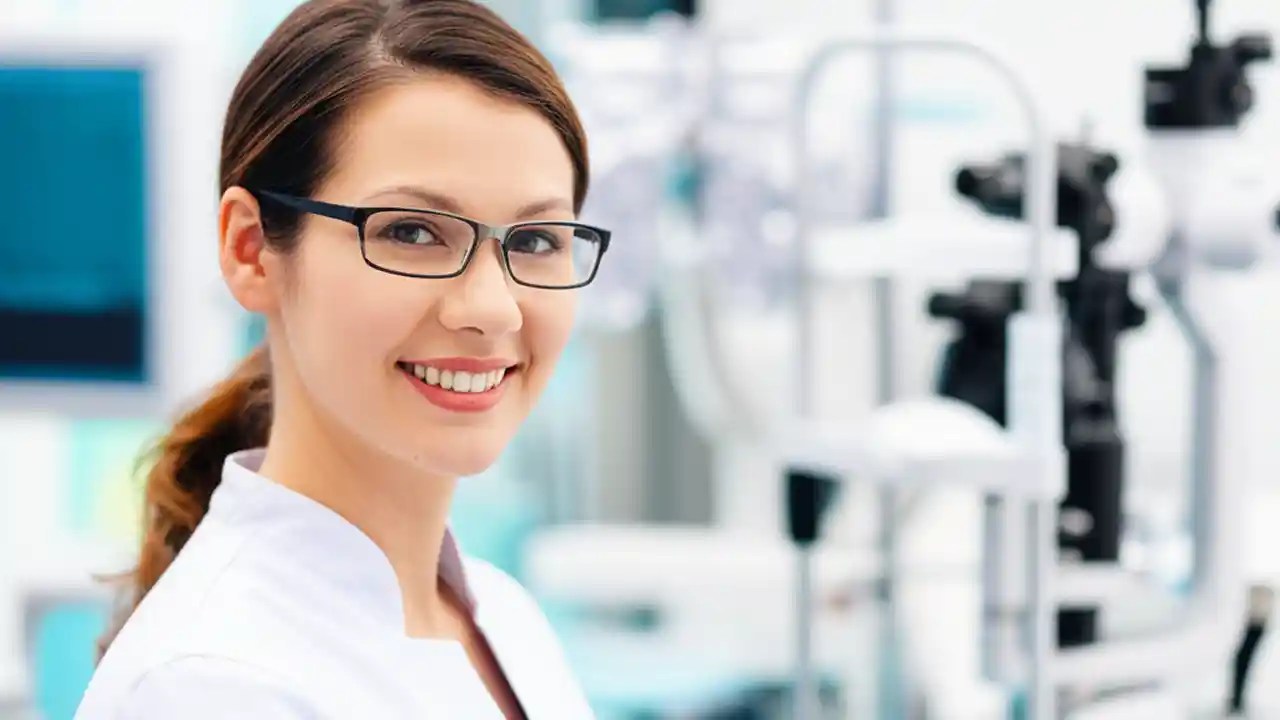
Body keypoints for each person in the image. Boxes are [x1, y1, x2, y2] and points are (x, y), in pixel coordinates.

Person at [74, 1, 608, 717]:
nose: (492, 308)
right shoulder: (212, 684)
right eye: (413, 232)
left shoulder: (507, 622)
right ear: (250, 248)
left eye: (537, 241)